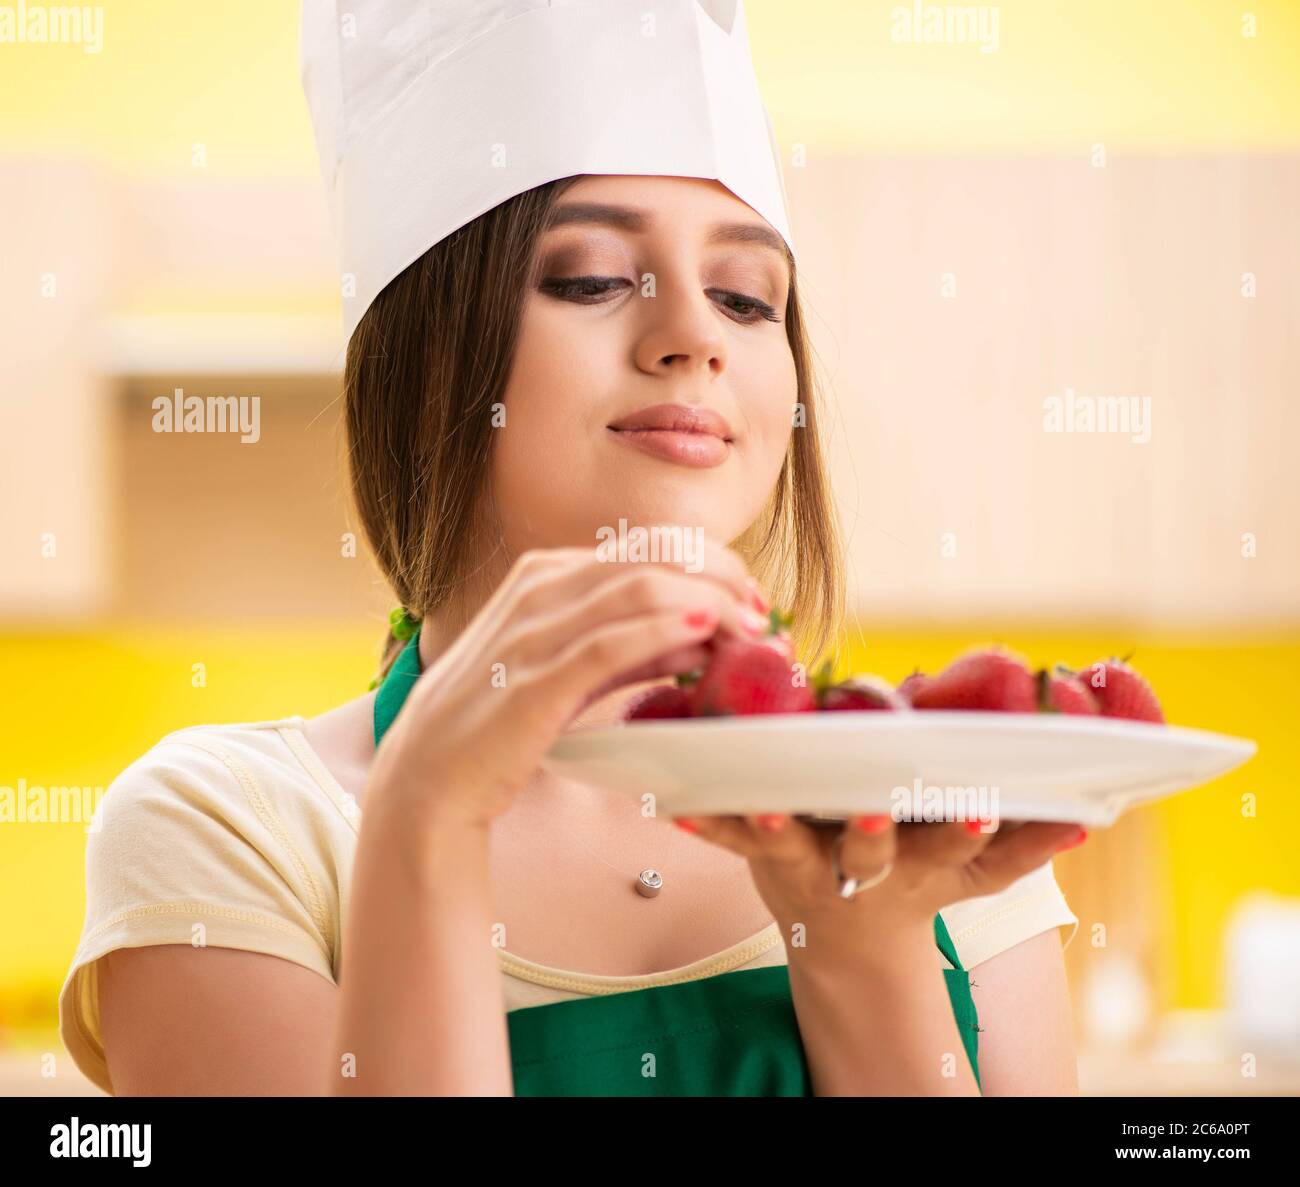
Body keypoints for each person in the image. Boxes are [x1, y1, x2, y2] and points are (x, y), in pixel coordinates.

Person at [58, 2, 1083, 1096]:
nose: (695, 333)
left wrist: (866, 951)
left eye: (746, 297)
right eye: (591, 278)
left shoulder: (923, 819)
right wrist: (424, 822)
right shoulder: (229, 830)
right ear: (430, 352)